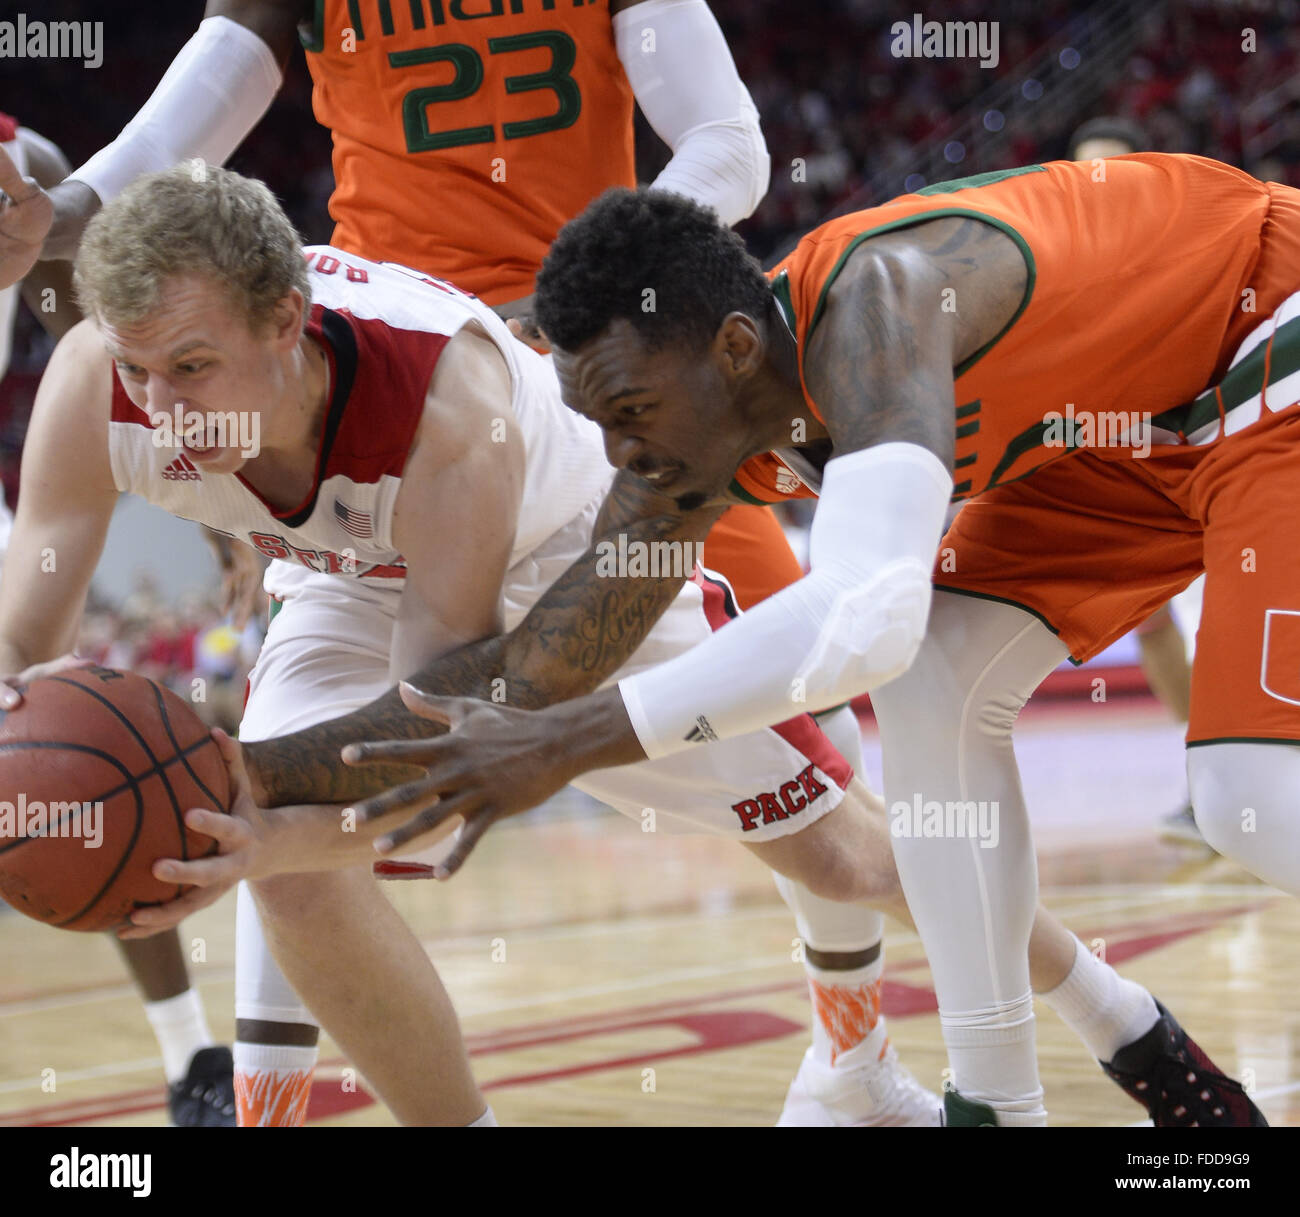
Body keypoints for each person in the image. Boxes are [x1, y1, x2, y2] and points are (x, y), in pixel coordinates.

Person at [0, 0, 910, 1125]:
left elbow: (729, 144)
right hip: (335, 383)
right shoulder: (173, 366)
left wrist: (575, 297)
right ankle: (267, 1109)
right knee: (274, 822)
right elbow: (196, 111)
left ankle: (861, 1051)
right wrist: (74, 209)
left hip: (582, 371)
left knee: (825, 777)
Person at [345, 156, 1294, 1125]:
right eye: (599, 423)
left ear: (734, 346)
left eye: (631, 410)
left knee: (1242, 796)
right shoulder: (696, 441)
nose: (621, 454)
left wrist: (557, 744)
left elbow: (863, 619)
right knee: (937, 676)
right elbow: (564, 645)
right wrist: (402, 744)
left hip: (1263, 325)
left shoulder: (879, 300)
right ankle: (999, 1103)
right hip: (1124, 440)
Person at [0, 113, 236, 1126]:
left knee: (86, 763)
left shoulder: (26, 167)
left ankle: (194, 1058)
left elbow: (103, 346)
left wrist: (230, 507)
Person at [1068, 115, 1207, 849]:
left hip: (1211, 459)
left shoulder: (1193, 246)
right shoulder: (1056, 262)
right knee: (1152, 627)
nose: (1102, 186)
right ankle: (1203, 779)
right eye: (1087, 170)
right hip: (1122, 468)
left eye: (1116, 170)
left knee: (1222, 625)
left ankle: (1238, 781)